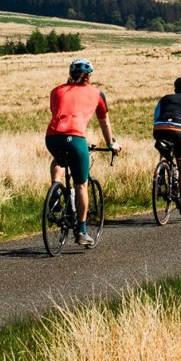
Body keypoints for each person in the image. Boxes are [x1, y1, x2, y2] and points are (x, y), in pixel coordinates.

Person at [45, 58, 118, 247]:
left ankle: (55, 190)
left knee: (59, 159)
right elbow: (104, 122)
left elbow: (56, 111)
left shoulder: (56, 91)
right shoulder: (97, 93)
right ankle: (82, 231)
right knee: (81, 185)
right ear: (89, 75)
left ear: (70, 73)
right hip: (75, 138)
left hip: (52, 137)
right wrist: (111, 144)